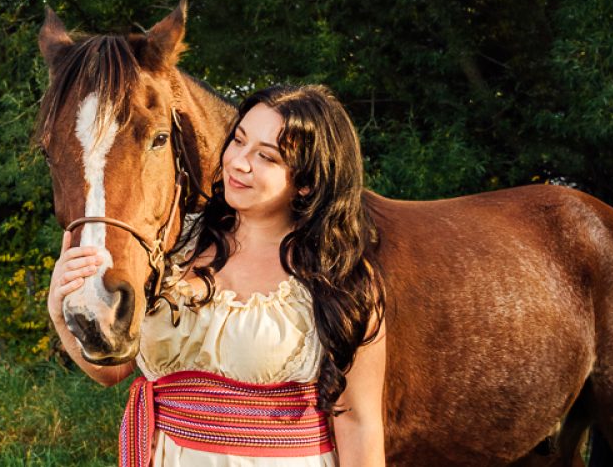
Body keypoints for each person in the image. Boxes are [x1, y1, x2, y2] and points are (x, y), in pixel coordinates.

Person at [48, 84, 387, 466]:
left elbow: (359, 424)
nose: (238, 162)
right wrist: (59, 310)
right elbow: (112, 370)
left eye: (266, 156)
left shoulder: (338, 278)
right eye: (238, 140)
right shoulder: (173, 247)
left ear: (306, 182)